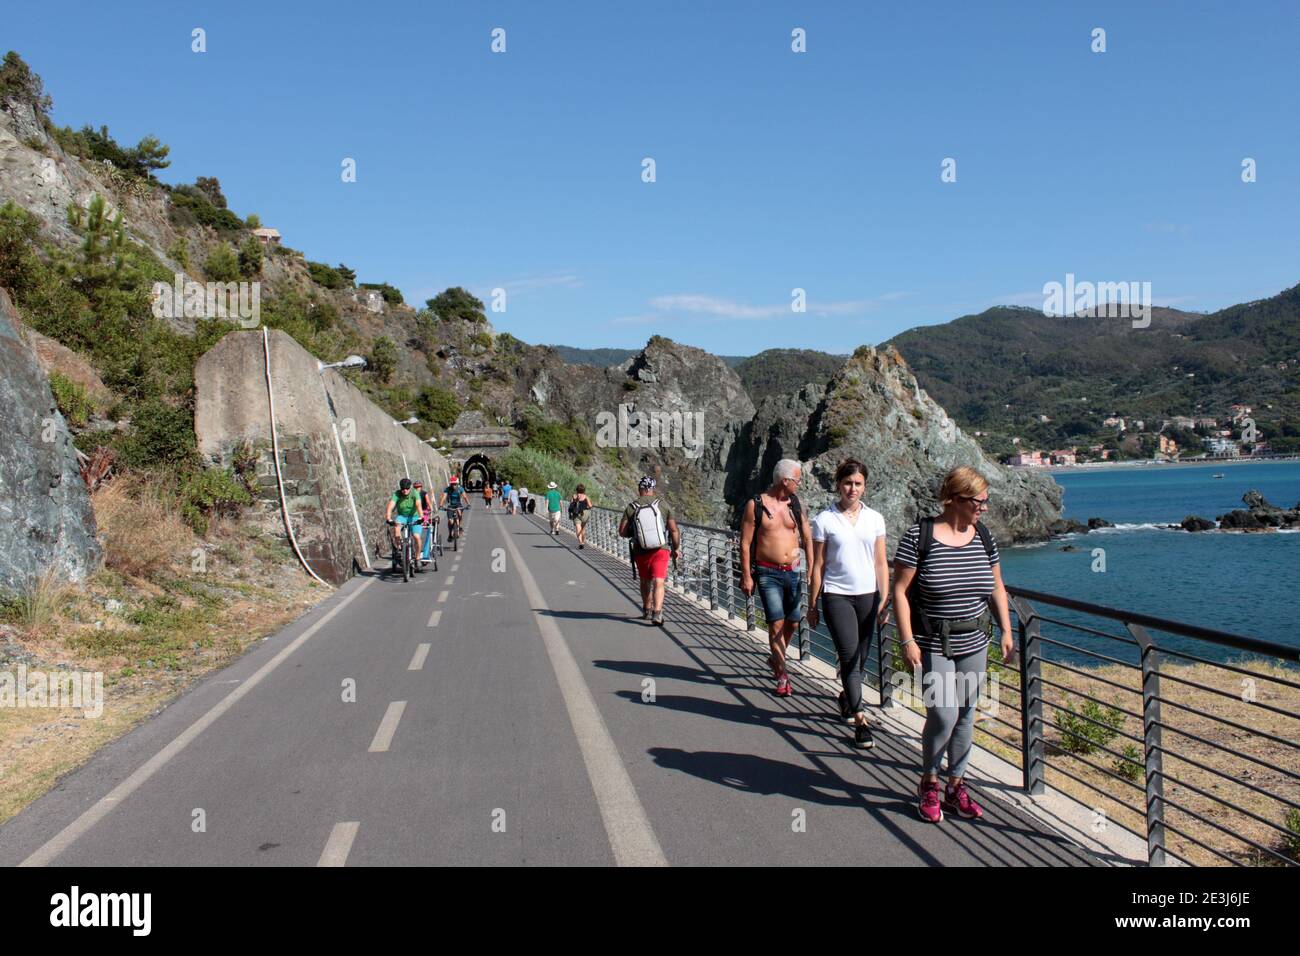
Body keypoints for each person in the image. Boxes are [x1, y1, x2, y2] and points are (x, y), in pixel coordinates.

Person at [892, 466, 1014, 824]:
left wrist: (1007, 631)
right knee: (942, 713)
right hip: (933, 641)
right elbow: (899, 590)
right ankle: (929, 781)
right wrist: (906, 639)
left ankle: (956, 784)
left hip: (976, 639)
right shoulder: (920, 536)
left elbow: (996, 586)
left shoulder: (984, 536)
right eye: (980, 501)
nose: (985, 508)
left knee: (966, 714)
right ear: (957, 499)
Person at [808, 459, 890, 749]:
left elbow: (881, 562)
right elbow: (817, 564)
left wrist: (885, 598)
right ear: (838, 484)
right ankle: (861, 721)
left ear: (864, 486)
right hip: (836, 595)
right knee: (849, 656)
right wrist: (813, 602)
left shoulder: (875, 519)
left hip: (869, 596)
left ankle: (846, 696)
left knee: (862, 656)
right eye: (847, 483)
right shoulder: (824, 519)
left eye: (858, 483)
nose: (852, 489)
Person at [740, 459, 813, 698]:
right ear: (785, 480)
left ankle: (775, 658)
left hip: (793, 571)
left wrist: (811, 569)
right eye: (798, 480)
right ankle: (782, 675)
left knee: (793, 622)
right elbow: (746, 543)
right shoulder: (757, 504)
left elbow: (808, 537)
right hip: (767, 572)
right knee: (777, 623)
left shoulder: (795, 504)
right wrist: (747, 575)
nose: (800, 484)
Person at [619, 476, 680, 625]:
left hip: (641, 550)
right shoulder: (663, 505)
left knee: (645, 581)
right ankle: (657, 613)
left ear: (640, 489)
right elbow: (673, 530)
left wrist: (634, 534)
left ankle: (647, 610)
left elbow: (622, 531)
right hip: (661, 549)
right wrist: (676, 548)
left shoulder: (632, 507)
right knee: (659, 581)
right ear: (652, 489)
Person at [385, 477, 424, 571]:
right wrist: (388, 518)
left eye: (407, 488)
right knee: (396, 527)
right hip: (402, 516)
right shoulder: (397, 494)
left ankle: (418, 558)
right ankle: (399, 549)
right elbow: (391, 506)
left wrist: (421, 517)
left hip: (414, 517)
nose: (405, 490)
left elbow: (418, 505)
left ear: (410, 487)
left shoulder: (415, 493)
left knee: (416, 537)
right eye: (403, 489)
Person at [438, 475, 467, 541]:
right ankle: (450, 534)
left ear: (457, 484)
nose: (453, 485)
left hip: (459, 505)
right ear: (450, 484)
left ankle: (459, 527)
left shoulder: (460, 489)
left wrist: (468, 504)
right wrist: (440, 505)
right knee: (450, 521)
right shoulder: (447, 489)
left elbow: (465, 496)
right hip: (451, 506)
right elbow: (444, 497)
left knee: (459, 514)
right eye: (452, 484)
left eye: (455, 484)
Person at [414, 479, 435, 565]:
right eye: (415, 487)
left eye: (418, 487)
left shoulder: (424, 493)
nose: (417, 488)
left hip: (424, 512)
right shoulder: (413, 494)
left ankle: (424, 553)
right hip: (416, 513)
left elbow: (428, 502)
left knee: (426, 525)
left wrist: (431, 508)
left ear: (421, 487)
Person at [569, 484, 592, 549]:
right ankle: (583, 542)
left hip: (576, 513)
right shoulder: (586, 497)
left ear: (577, 490)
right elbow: (590, 506)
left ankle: (580, 542)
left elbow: (571, 505)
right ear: (584, 490)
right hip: (585, 513)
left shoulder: (574, 496)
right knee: (583, 528)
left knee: (578, 528)